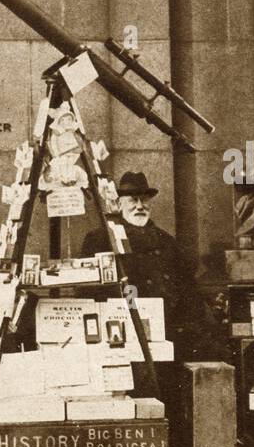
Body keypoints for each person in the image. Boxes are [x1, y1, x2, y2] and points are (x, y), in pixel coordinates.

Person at [81, 171, 227, 406]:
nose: (139, 206)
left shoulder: (167, 242)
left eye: (144, 200)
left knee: (167, 395)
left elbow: (188, 288)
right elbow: (88, 292)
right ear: (119, 204)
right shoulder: (100, 240)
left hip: (167, 333)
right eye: (132, 200)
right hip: (120, 331)